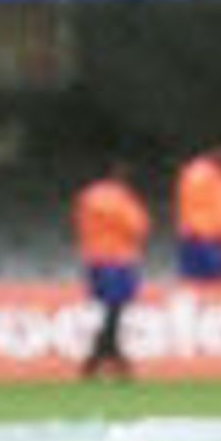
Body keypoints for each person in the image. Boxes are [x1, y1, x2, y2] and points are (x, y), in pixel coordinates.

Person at [70, 160, 152, 380]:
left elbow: (79, 224)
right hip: (118, 258)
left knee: (111, 309)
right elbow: (137, 226)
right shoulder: (121, 198)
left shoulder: (88, 196)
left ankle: (106, 356)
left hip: (94, 258)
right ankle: (101, 356)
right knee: (115, 309)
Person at [173, 142, 221, 283]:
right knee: (204, 285)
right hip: (203, 241)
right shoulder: (201, 174)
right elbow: (197, 212)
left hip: (219, 242)